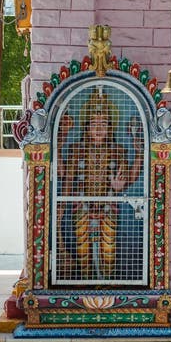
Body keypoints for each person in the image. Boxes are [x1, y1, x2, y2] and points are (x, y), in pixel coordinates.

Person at [56, 90, 143, 281]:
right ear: (86, 127)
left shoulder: (118, 150)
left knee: (109, 249)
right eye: (94, 124)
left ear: (110, 127)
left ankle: (108, 284)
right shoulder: (76, 150)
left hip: (108, 208)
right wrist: (62, 203)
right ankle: (85, 285)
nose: (98, 129)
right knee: (83, 251)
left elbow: (128, 179)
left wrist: (120, 186)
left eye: (103, 124)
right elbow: (66, 176)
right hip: (81, 208)